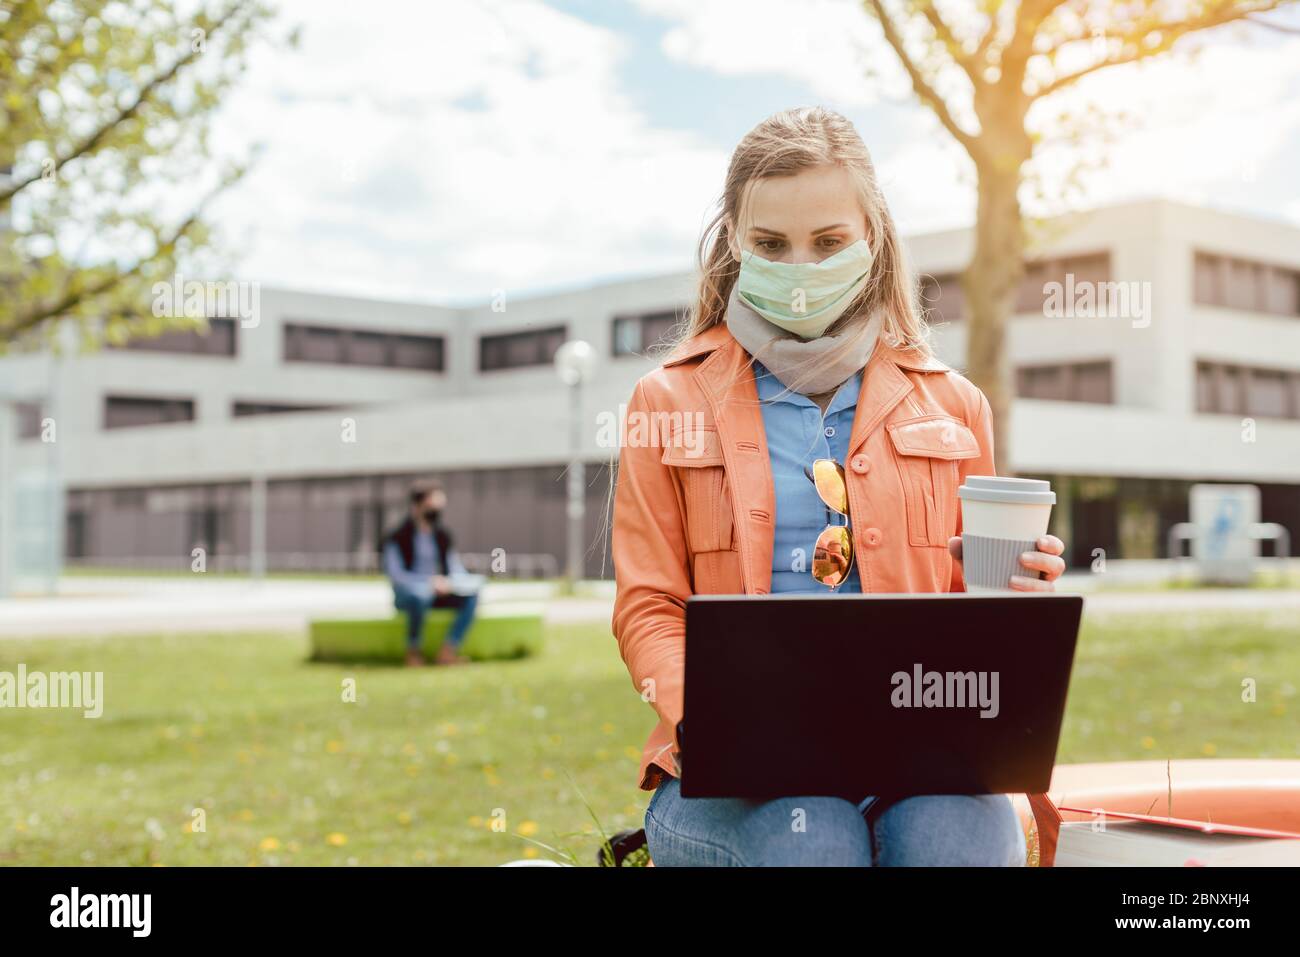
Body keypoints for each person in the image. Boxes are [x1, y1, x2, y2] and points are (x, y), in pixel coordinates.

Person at [610, 107, 1068, 866]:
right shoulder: (667, 401)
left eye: (827, 243)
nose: (799, 268)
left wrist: (1019, 604)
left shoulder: (955, 405)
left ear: (871, 238)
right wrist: (716, 717)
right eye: (769, 244)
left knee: (963, 844)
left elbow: (972, 614)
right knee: (815, 841)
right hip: (731, 778)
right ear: (733, 241)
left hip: (924, 759)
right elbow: (647, 606)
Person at [382, 479, 479, 667]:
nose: (436, 512)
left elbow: (456, 570)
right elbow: (396, 576)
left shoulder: (443, 536)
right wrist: (428, 582)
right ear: (416, 506)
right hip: (409, 595)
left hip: (437, 591)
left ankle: (448, 652)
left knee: (471, 597)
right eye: (431, 507)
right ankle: (413, 652)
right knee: (420, 595)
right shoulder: (397, 537)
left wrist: (451, 583)